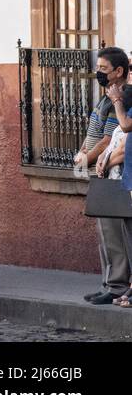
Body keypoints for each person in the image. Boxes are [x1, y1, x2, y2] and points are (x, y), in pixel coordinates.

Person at [77, 46, 131, 305]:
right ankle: (110, 283)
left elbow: (110, 138)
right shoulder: (106, 97)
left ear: (119, 71)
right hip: (102, 168)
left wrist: (87, 159)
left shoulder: (121, 97)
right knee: (105, 232)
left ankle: (117, 285)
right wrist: (82, 153)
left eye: (103, 69)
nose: (98, 73)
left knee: (113, 233)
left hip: (112, 171)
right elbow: (95, 134)